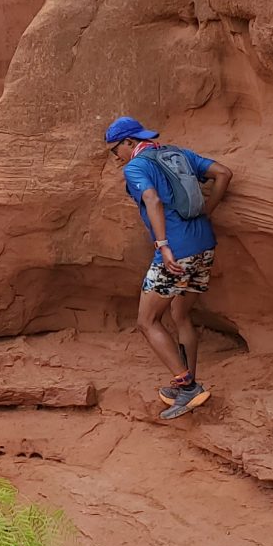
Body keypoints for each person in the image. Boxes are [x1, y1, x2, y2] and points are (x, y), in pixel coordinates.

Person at [105, 116, 232, 418]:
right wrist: (207, 212)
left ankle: (187, 388)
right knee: (180, 313)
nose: (115, 157)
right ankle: (187, 381)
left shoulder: (135, 167)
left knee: (147, 321)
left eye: (114, 150)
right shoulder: (179, 154)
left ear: (129, 142)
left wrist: (163, 244)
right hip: (204, 246)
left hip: (176, 253)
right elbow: (223, 173)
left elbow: (151, 199)